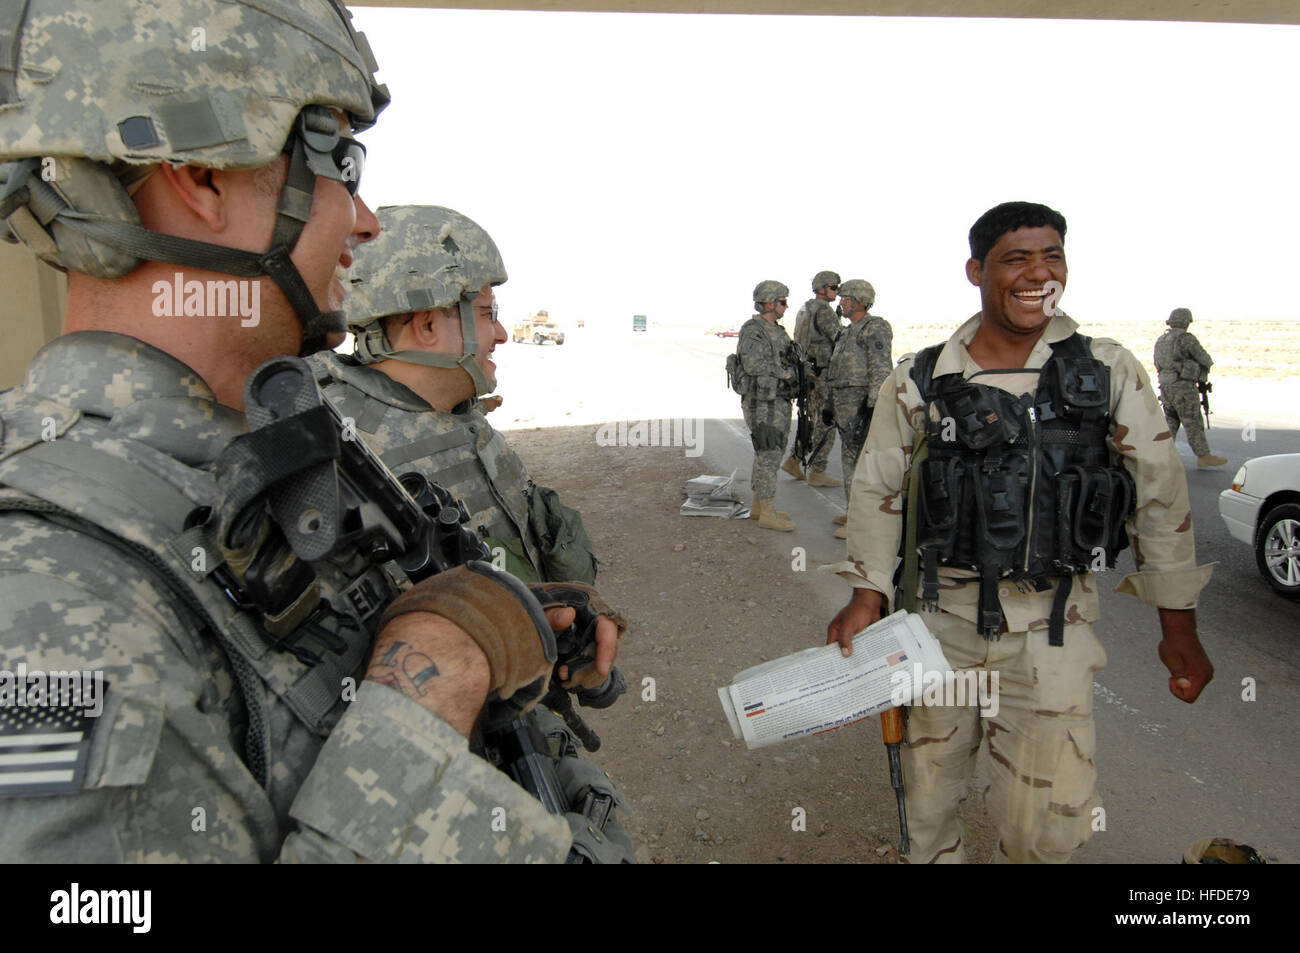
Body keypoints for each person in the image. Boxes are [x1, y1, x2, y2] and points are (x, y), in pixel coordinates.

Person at [0, 0, 619, 863]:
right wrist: (430, 687)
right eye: (339, 161)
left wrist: (504, 628)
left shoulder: (268, 448)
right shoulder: (40, 596)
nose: (363, 220)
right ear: (200, 174)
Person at [824, 201, 1215, 864]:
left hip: (1052, 625)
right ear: (977, 270)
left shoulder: (1106, 368)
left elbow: (1158, 494)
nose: (1039, 272)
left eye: (1052, 256)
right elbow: (877, 492)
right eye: (1017, 258)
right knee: (926, 806)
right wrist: (867, 594)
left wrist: (1178, 624)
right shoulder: (921, 378)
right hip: (939, 621)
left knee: (1047, 827)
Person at [310, 205, 632, 861]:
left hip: (525, 730)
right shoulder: (331, 437)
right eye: (485, 312)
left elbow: (516, 554)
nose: (504, 332)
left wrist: (569, 629)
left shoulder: (470, 426)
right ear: (428, 322)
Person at [825, 279, 892, 539]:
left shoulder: (874, 327)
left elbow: (881, 367)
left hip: (861, 405)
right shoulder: (846, 332)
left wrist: (875, 407)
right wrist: (830, 405)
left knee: (860, 463)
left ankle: (861, 520)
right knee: (849, 459)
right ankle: (854, 511)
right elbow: (835, 371)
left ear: (858, 300)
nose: (841, 302)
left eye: (846, 298)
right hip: (844, 405)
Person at [736, 280, 799, 531]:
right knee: (769, 453)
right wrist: (784, 374)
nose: (786, 306)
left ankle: (759, 507)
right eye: (782, 301)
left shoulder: (777, 330)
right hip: (762, 402)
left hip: (778, 400)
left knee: (769, 452)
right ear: (770, 303)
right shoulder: (753, 329)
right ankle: (768, 512)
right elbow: (752, 365)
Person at [783, 270, 843, 488]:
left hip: (807, 371)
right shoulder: (824, 311)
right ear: (821, 288)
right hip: (822, 373)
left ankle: (794, 459)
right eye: (834, 287)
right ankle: (818, 470)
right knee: (826, 421)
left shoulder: (804, 309)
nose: (837, 292)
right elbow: (839, 338)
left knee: (811, 418)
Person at [1153, 308, 1227, 467]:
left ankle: (1161, 456)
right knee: (1192, 421)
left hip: (1165, 386)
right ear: (1186, 322)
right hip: (1183, 386)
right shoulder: (1185, 339)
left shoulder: (1161, 340)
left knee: (1170, 422)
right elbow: (1205, 359)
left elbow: (1157, 363)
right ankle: (1203, 456)